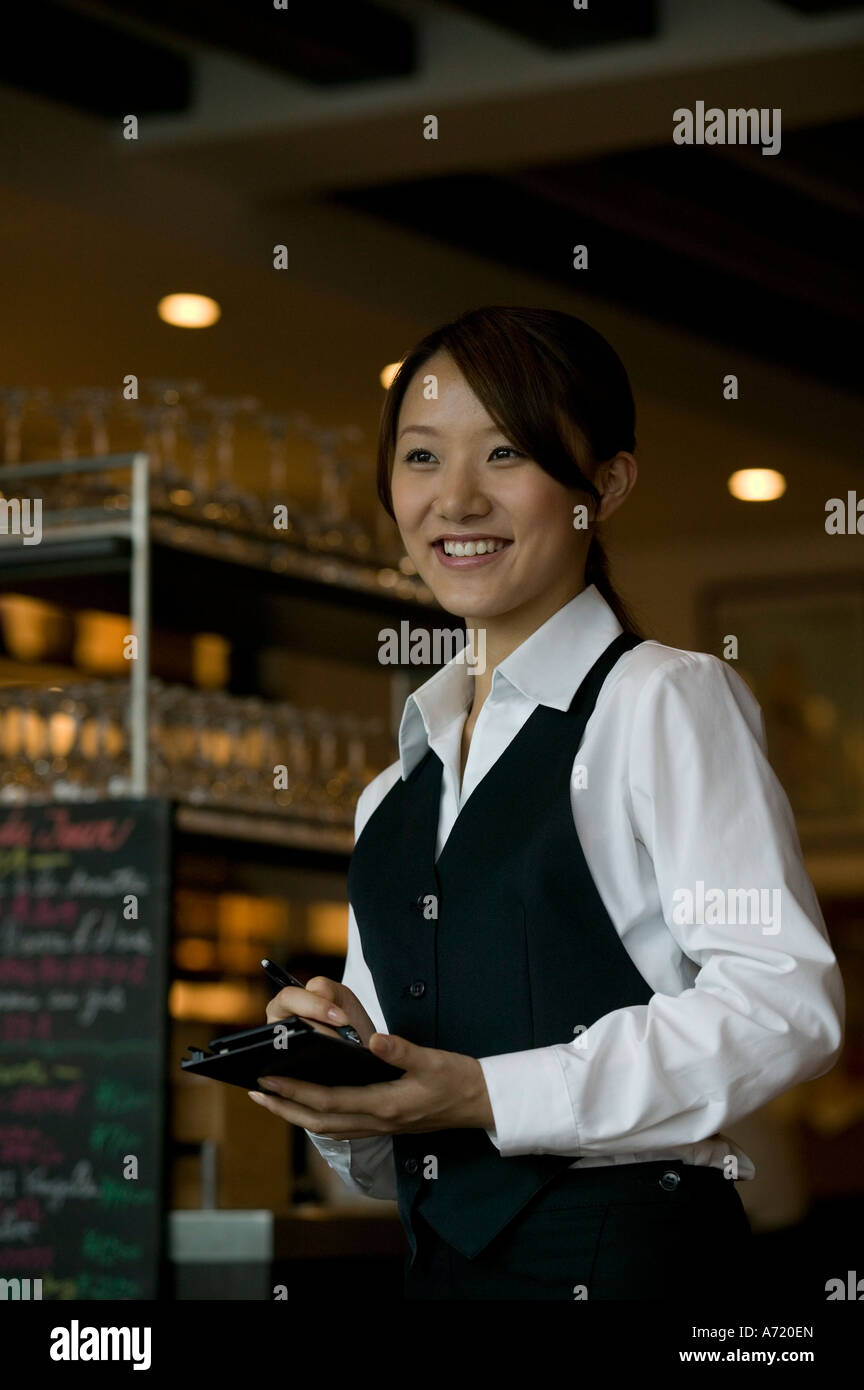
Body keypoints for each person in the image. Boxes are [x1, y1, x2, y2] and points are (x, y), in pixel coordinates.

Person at [247, 305, 845, 1301]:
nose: (457, 499)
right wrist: (338, 1064)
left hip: (631, 1264)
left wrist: (487, 1090)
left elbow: (785, 1004)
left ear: (603, 484)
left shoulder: (662, 699)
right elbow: (394, 1138)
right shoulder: (392, 792)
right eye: (423, 457)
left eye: (507, 453)